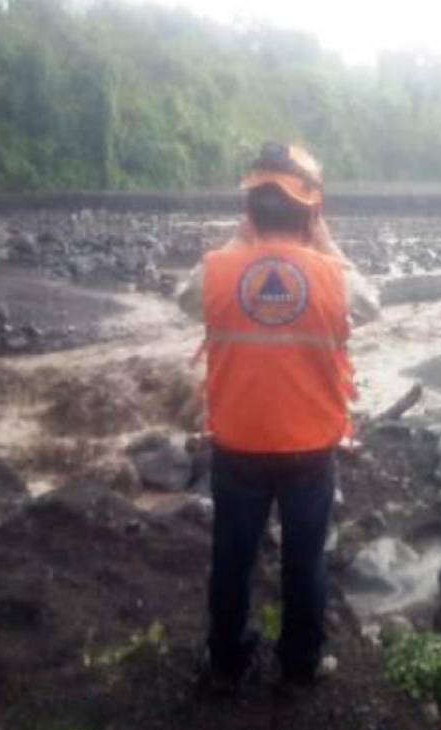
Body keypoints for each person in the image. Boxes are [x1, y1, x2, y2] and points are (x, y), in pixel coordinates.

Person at [177, 142, 376, 689]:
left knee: (233, 556)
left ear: (250, 210)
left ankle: (227, 663)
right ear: (311, 212)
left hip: (237, 441)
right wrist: (328, 243)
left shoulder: (217, 271)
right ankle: (300, 663)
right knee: (305, 559)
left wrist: (240, 241)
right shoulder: (334, 276)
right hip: (309, 445)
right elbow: (372, 304)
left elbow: (184, 300)